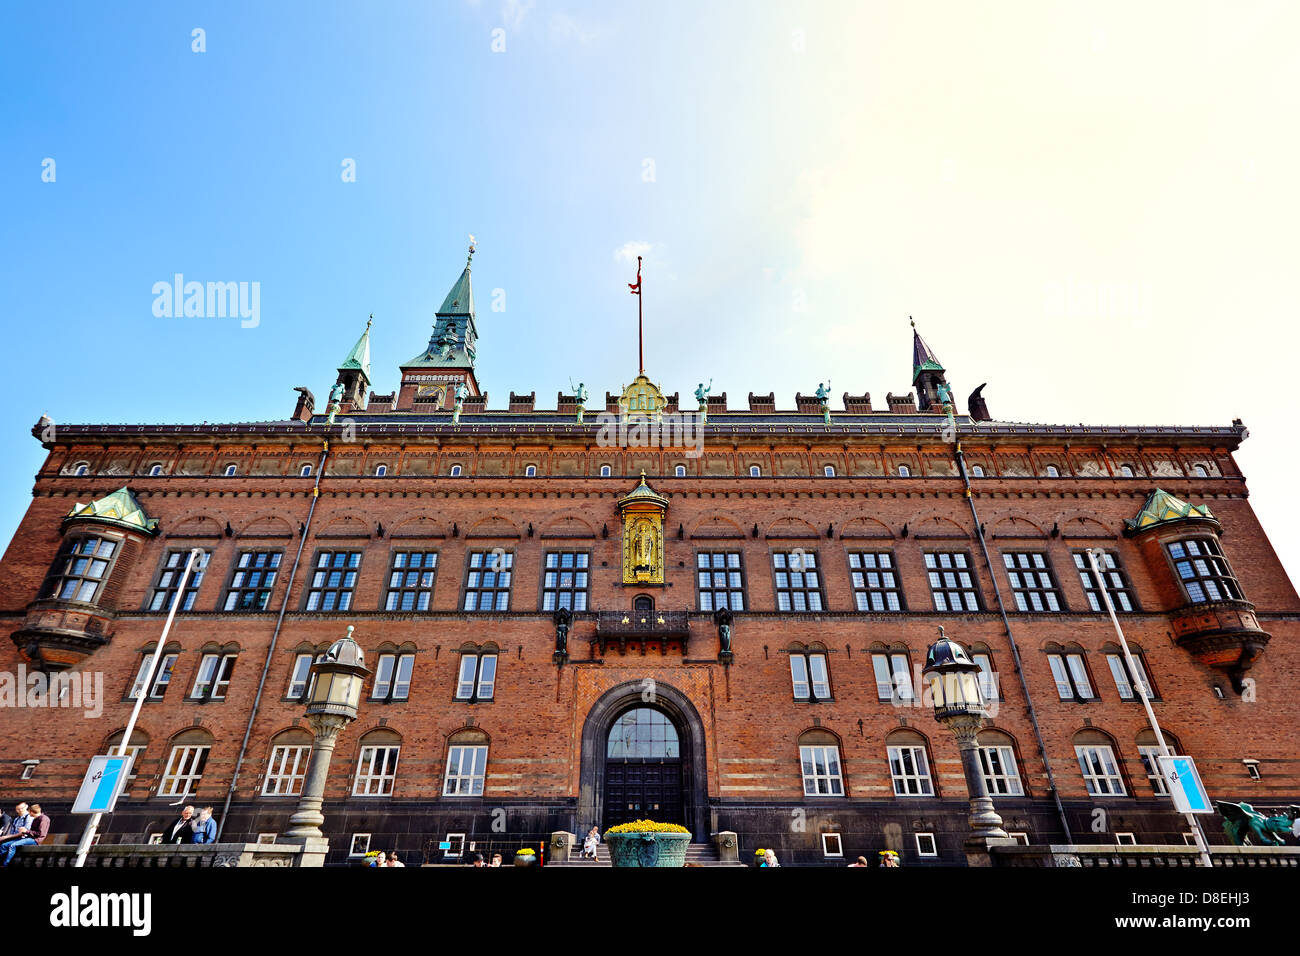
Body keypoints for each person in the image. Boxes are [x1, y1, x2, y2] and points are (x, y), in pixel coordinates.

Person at [0, 802, 43, 866]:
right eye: (18, 809)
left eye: (22, 808)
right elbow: (13, 832)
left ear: (26, 807)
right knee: (3, 845)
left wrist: (5, 837)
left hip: (27, 838)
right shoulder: (17, 819)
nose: (20, 810)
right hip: (16, 838)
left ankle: (5, 864)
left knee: (11, 845)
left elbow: (25, 833)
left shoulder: (29, 817)